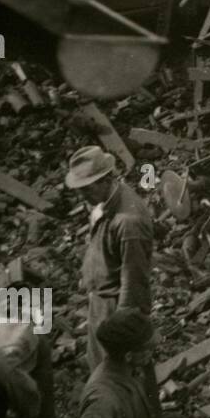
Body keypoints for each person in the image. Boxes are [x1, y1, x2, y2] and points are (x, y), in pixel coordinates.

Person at [64, 146, 155, 372]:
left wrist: (121, 326)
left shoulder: (128, 221)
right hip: (101, 300)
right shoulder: (104, 201)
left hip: (114, 306)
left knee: (116, 373)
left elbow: (134, 281)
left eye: (86, 188)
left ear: (106, 179)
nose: (81, 195)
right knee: (102, 367)